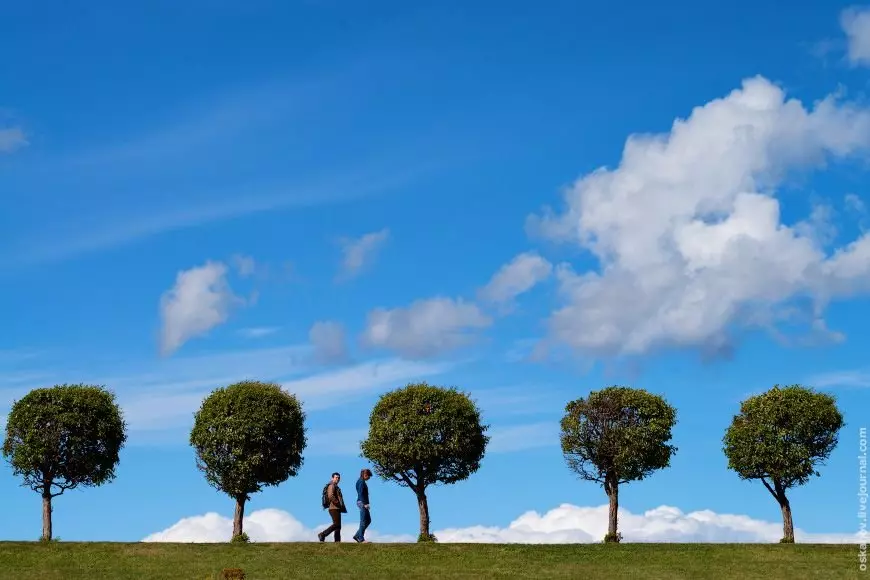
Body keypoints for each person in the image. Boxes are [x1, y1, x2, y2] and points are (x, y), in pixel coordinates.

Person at [318, 472, 347, 542]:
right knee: (336, 524)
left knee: (338, 526)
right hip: (333, 508)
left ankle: (337, 541)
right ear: (332, 478)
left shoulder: (336, 486)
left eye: (338, 478)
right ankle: (322, 534)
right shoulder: (332, 485)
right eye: (336, 477)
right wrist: (338, 503)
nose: (338, 479)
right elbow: (330, 495)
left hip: (336, 508)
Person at [353, 468, 373, 543]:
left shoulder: (361, 481)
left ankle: (357, 535)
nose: (369, 478)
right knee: (364, 521)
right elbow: (361, 493)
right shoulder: (361, 482)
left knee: (368, 520)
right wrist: (364, 504)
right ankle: (361, 539)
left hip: (362, 502)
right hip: (361, 502)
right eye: (369, 476)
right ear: (365, 475)